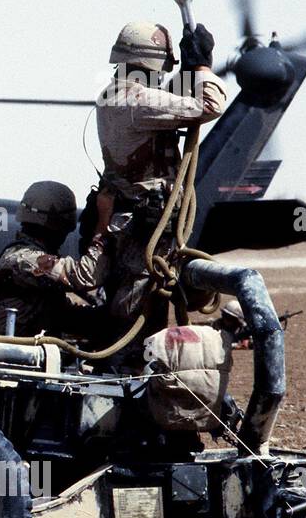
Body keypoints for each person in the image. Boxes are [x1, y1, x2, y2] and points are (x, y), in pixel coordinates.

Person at [92, 21, 228, 324]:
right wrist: (203, 68)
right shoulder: (137, 101)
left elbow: (167, 100)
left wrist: (189, 72)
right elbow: (210, 105)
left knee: (138, 303)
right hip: (144, 230)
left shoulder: (116, 95)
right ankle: (129, 365)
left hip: (130, 221)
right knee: (137, 310)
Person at [0, 181, 109, 338]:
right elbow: (85, 277)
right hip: (13, 358)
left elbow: (65, 316)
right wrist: (103, 228)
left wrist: (112, 318)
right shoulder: (25, 260)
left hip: (28, 354)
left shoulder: (29, 261)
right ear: (60, 227)